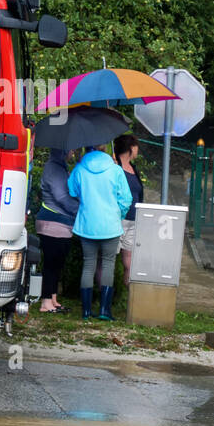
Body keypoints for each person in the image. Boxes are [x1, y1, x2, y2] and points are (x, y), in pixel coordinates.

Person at [67, 144, 133, 320]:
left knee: (88, 265)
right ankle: (105, 310)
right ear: (105, 150)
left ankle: (86, 311)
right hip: (110, 225)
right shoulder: (115, 169)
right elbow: (126, 198)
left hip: (87, 224)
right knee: (108, 265)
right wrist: (118, 213)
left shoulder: (80, 168)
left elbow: (72, 190)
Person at [34, 148, 79, 313]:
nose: (73, 152)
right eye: (71, 149)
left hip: (59, 223)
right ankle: (46, 301)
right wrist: (79, 209)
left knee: (57, 263)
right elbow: (61, 197)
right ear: (62, 149)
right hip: (53, 223)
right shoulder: (54, 168)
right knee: (51, 264)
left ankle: (52, 298)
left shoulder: (59, 166)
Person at [113, 133, 144, 284]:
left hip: (133, 220)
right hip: (118, 219)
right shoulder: (115, 167)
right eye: (136, 147)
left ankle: (128, 295)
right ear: (131, 148)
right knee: (110, 258)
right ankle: (107, 293)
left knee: (129, 261)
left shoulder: (133, 168)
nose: (138, 150)